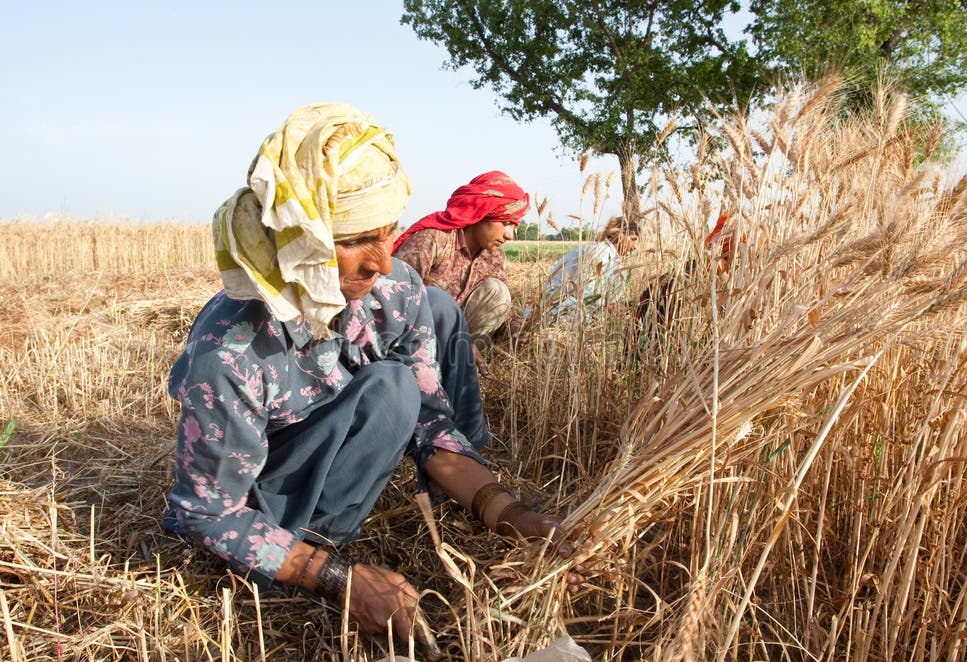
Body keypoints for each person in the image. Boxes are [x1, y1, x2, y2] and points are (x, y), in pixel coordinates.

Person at [163, 103, 578, 651]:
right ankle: (298, 552)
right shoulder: (230, 351)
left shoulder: (396, 292)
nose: (383, 262)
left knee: (394, 388)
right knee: (387, 391)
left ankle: (323, 536)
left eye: (390, 234)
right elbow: (208, 512)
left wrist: (509, 513)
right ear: (299, 240)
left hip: (332, 460)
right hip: (263, 491)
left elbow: (431, 425)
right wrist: (334, 577)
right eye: (357, 239)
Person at [391, 171, 529, 351]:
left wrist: (516, 332)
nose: (509, 235)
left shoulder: (495, 257)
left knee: (497, 291)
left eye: (514, 226)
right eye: (505, 223)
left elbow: (497, 313)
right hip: (414, 340)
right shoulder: (431, 241)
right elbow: (393, 299)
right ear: (480, 213)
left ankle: (464, 361)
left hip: (461, 344)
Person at [541, 216, 640, 321]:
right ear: (621, 237)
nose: (635, 247)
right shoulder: (599, 252)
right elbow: (586, 290)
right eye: (633, 240)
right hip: (558, 303)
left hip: (573, 302)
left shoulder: (612, 258)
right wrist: (609, 306)